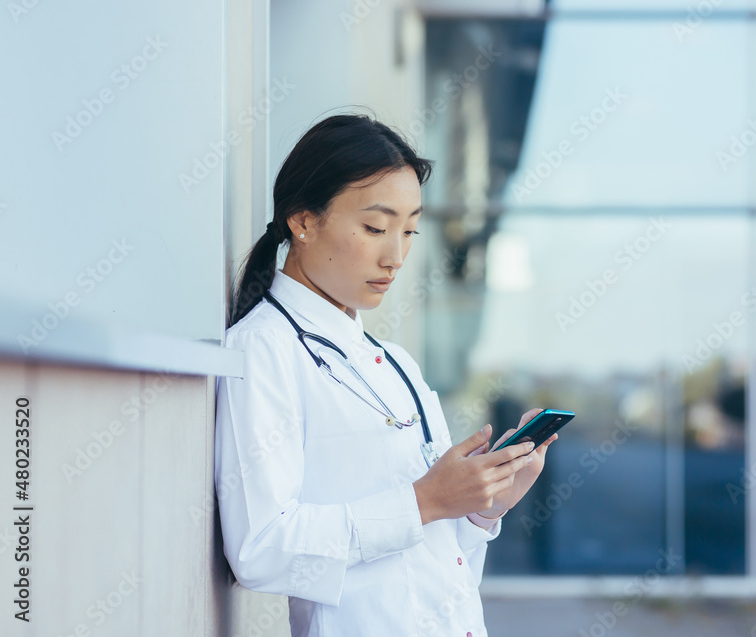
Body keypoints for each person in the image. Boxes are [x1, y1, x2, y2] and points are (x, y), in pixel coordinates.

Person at [215, 113, 557, 637]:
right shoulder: (264, 350)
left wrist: (485, 507)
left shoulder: (395, 363)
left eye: (410, 230)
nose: (396, 256)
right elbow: (259, 550)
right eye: (375, 228)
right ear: (303, 221)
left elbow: (441, 559)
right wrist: (424, 500)